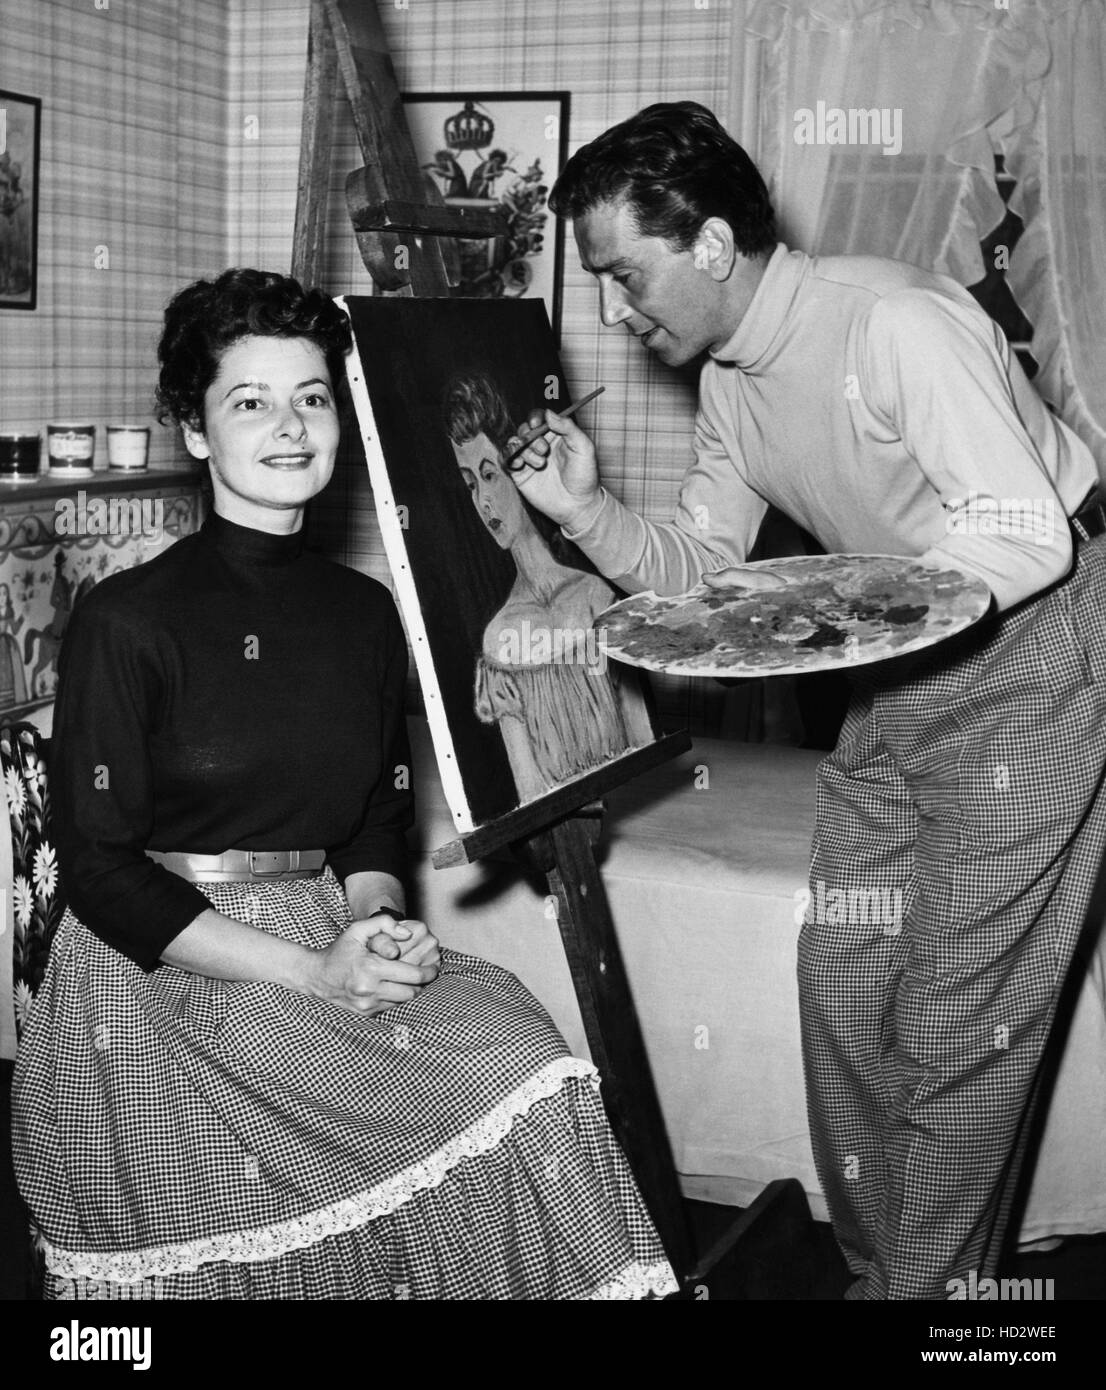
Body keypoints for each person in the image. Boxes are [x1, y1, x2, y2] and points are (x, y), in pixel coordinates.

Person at [509, 101, 1106, 1301]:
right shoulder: (733, 372)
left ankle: (926, 1303)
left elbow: (1021, 534)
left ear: (715, 245)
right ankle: (892, 1276)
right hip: (898, 664)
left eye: (627, 276)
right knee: (840, 977)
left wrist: (850, 604)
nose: (617, 312)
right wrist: (583, 514)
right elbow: (699, 567)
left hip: (1038, 652)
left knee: (952, 1027)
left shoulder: (894, 323)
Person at [10, 267, 677, 1302]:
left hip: (321, 927)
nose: (289, 426)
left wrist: (373, 916)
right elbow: (96, 866)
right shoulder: (128, 619)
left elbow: (375, 812)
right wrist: (313, 970)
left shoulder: (364, 611)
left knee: (523, 1062)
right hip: (163, 971)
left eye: (312, 398)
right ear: (194, 430)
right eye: (250, 402)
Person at [443, 372, 652, 802]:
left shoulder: (596, 595)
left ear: (520, 467)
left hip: (639, 809)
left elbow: (647, 750)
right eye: (470, 484)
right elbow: (531, 798)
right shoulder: (500, 639)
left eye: (490, 474)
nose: (483, 500)